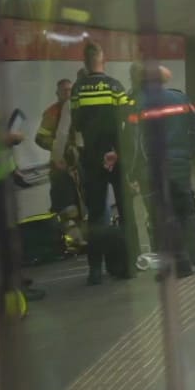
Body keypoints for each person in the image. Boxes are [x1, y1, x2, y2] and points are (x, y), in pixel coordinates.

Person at [126, 63, 195, 278]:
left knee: (162, 217)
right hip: (180, 165)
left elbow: (134, 144)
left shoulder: (138, 104)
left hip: (154, 169)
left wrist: (132, 172)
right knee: (187, 212)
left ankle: (178, 266)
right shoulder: (179, 98)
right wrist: (188, 153)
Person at [70, 41, 133, 285]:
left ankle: (95, 270)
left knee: (96, 215)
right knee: (126, 212)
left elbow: (76, 123)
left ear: (85, 62)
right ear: (102, 59)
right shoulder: (114, 86)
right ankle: (127, 265)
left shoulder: (78, 89)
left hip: (91, 159)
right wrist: (117, 151)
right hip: (116, 157)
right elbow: (128, 119)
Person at [35, 79, 80, 226]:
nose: (67, 93)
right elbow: (40, 138)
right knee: (62, 205)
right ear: (57, 93)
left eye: (69, 90)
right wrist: (60, 148)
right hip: (59, 165)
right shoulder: (52, 113)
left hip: (77, 163)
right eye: (64, 91)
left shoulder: (78, 108)